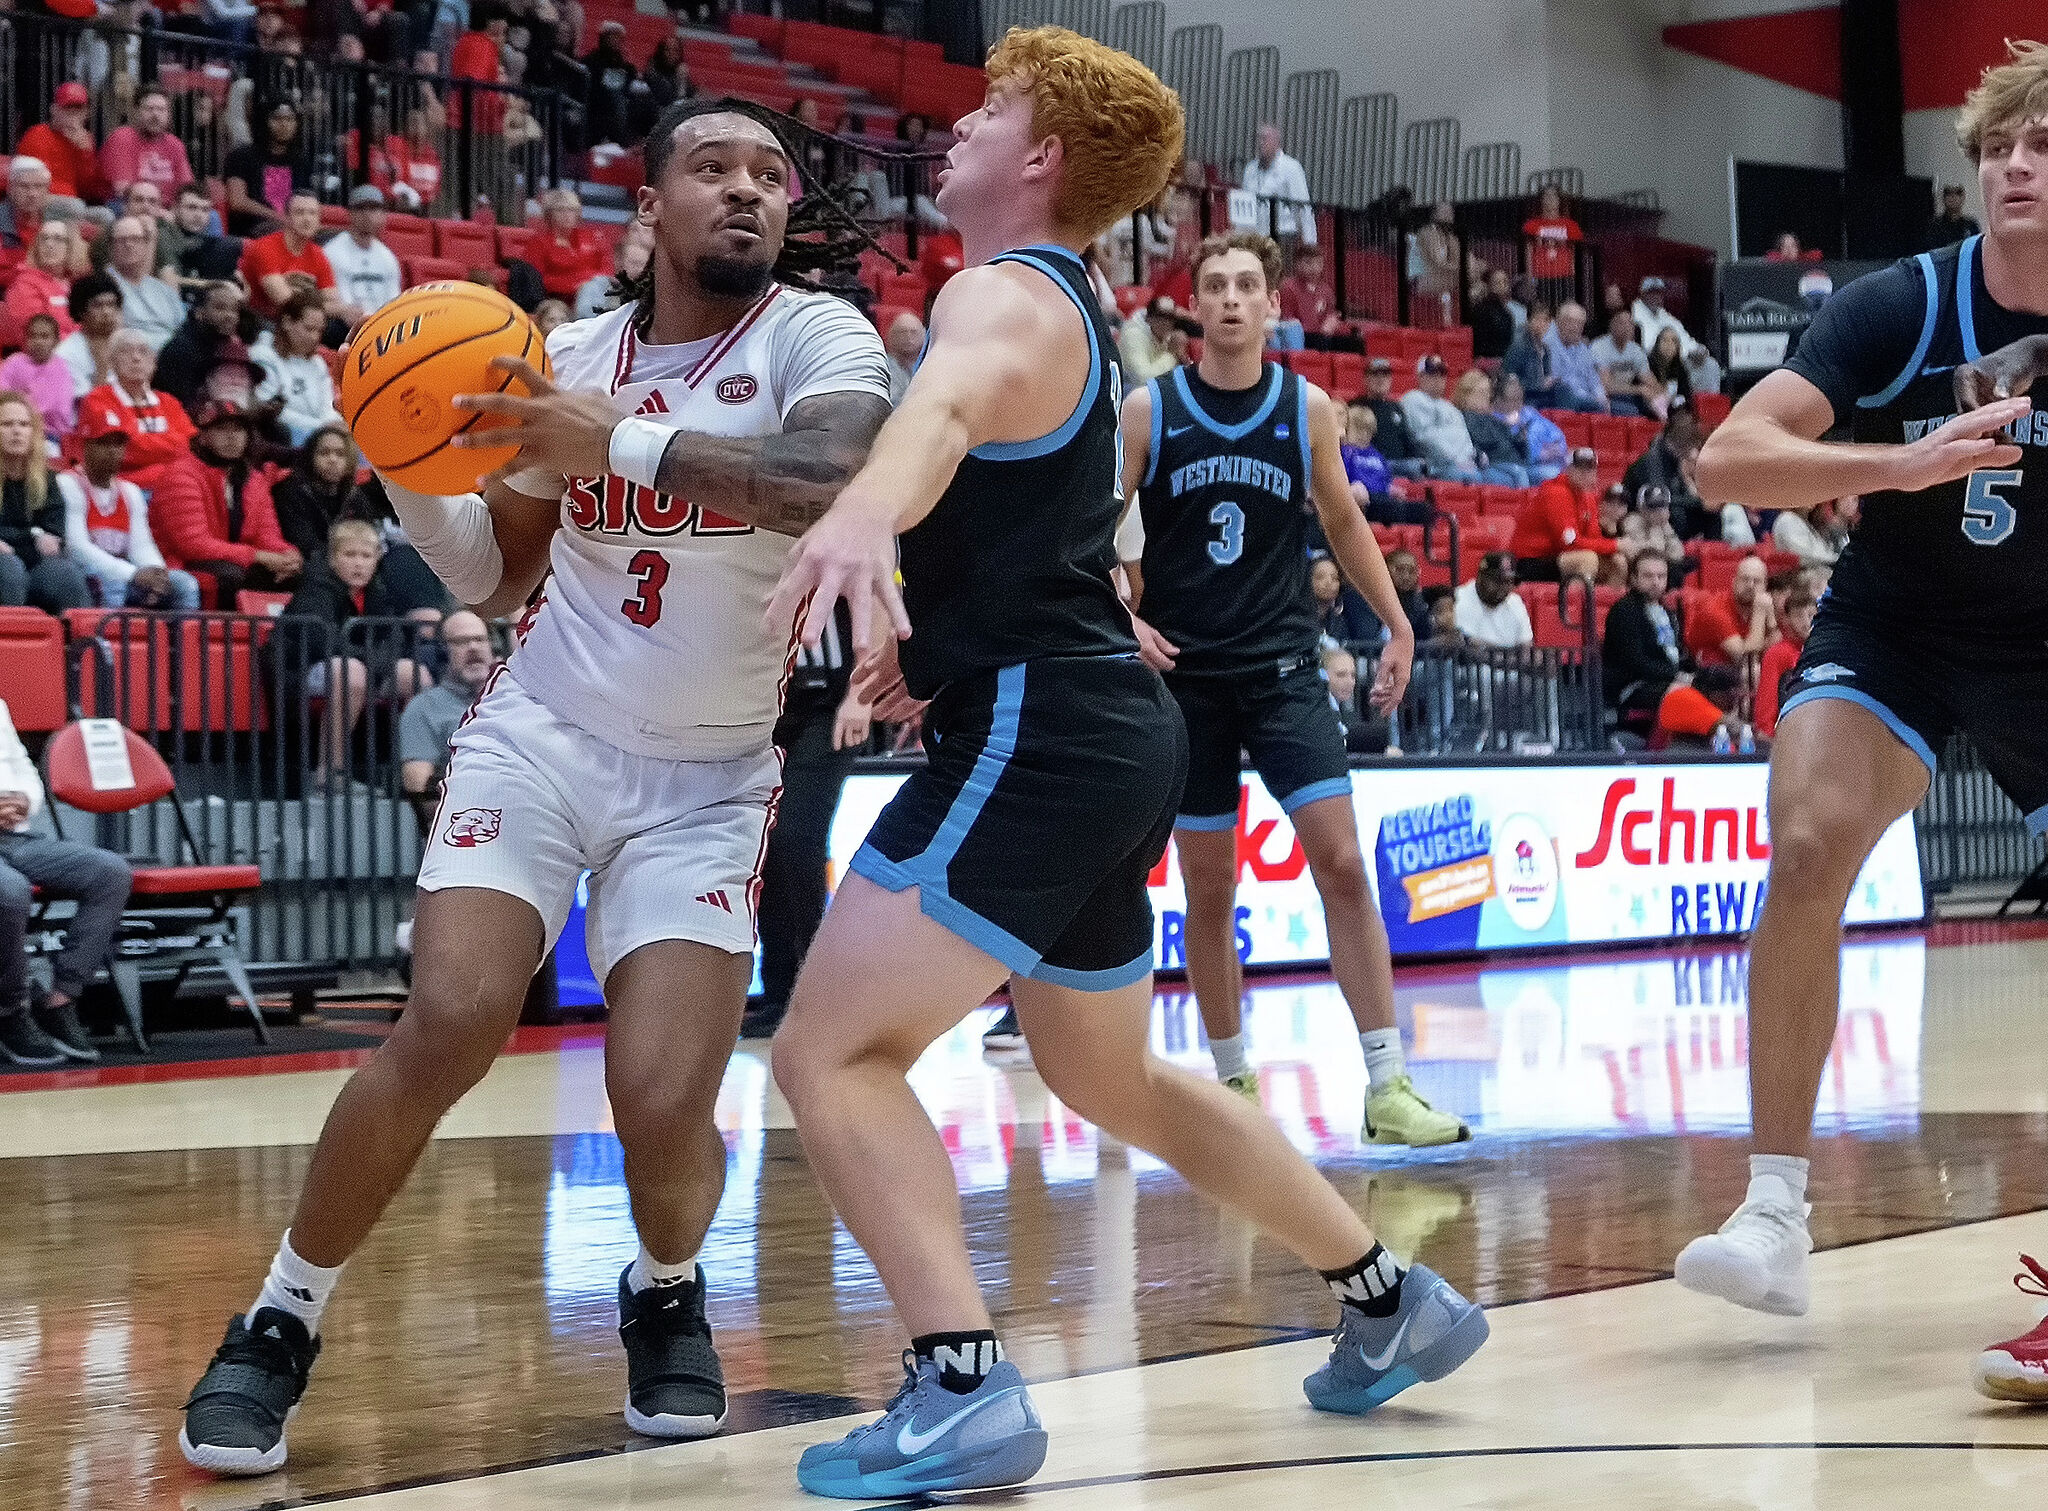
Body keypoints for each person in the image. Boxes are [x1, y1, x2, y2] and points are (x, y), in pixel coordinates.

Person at [767, 37, 1484, 1499]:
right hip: (1093, 721)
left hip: (1046, 727)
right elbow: (1035, 516)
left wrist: (860, 520)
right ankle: (1385, 1293)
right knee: (1111, 1071)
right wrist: (942, 634)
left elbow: (949, 407)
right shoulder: (1083, 314)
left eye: (990, 109)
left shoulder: (1002, 290)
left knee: (827, 1050)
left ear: (1039, 160)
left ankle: (959, 1382)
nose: (957, 123)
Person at [176, 95, 896, 1477]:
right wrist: (399, 454)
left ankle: (667, 1282)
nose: (747, 191)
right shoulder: (563, 353)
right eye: (713, 168)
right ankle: (278, 1317)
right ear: (651, 210)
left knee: (662, 1095)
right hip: (544, 731)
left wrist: (607, 444)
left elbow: (825, 481)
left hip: (712, 774)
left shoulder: (820, 337)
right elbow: (497, 574)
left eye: (770, 174)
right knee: (447, 1017)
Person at [1660, 43, 2048, 1379]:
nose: (2015, 162)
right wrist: (1900, 460)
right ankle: (1772, 1208)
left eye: (2044, 144)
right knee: (1810, 837)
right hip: (1902, 620)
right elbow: (1726, 460)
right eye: (2001, 142)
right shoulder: (1903, 303)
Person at [742, 599, 870, 1040]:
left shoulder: (838, 533)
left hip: (829, 705)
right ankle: (780, 994)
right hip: (759, 704)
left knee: (797, 838)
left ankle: (810, 996)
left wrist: (860, 695)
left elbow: (877, 608)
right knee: (769, 845)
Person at [0, 697, 131, 1067]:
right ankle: (10, 1011)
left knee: (109, 872)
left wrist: (25, 800)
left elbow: (22, 766)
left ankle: (59, 998)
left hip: (16, 835)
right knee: (10, 892)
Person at [277, 519, 433, 780]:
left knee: (414, 674)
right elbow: (321, 642)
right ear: (333, 558)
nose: (359, 563)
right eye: (349, 555)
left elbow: (395, 639)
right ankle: (330, 773)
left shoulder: (379, 591)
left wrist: (371, 662)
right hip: (302, 671)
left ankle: (409, 771)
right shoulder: (315, 589)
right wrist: (369, 661)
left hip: (364, 668)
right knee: (351, 672)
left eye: (366, 556)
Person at [151, 398, 303, 606]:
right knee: (233, 576)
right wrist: (259, 556)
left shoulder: (253, 479)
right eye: (222, 429)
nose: (232, 437)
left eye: (239, 430)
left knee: (298, 574)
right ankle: (217, 638)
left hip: (236, 562)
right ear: (203, 436)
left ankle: (278, 637)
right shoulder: (180, 474)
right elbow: (193, 545)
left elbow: (267, 535)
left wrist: (288, 556)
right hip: (182, 567)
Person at [57, 406, 201, 609]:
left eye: (119, 444)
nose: (112, 451)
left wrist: (156, 575)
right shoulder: (68, 483)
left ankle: (182, 641)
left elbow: (141, 545)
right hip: (84, 576)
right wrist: (133, 574)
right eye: (103, 443)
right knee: (113, 584)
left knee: (184, 584)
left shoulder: (130, 491)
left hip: (125, 575)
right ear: (85, 446)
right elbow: (76, 548)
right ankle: (105, 640)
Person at [397, 608, 496, 831]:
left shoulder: (515, 701)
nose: (473, 648)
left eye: (479, 639)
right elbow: (422, 791)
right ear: (442, 652)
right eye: (461, 642)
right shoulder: (423, 709)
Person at [0, 394, 93, 610]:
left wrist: (39, 537)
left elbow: (54, 532)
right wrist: (33, 535)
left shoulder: (47, 479)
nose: (16, 431)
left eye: (24, 424)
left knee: (65, 574)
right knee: (8, 570)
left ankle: (84, 642)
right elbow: (38, 534)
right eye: (6, 424)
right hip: (7, 565)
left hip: (34, 565)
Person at [83, 330, 198, 493]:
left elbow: (190, 445)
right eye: (126, 351)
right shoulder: (98, 400)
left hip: (174, 488)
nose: (136, 358)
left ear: (154, 362)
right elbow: (125, 450)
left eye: (143, 351)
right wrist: (169, 447)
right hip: (123, 489)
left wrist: (145, 445)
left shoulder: (169, 402)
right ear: (112, 361)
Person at [1601, 549, 1688, 733]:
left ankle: (1720, 729)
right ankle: (1722, 726)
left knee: (1719, 681)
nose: (1655, 582)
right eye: (1648, 576)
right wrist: (1676, 676)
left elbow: (1680, 653)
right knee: (1682, 692)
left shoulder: (1669, 612)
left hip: (1666, 679)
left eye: (1661, 576)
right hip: (1634, 687)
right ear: (1633, 578)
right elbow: (1636, 663)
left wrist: (1692, 674)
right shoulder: (1624, 611)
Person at [252, 292, 343, 445]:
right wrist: (322, 428)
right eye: (309, 329)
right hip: (284, 437)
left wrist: (334, 425)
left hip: (321, 434)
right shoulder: (263, 355)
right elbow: (269, 408)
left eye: (320, 331)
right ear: (287, 322)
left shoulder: (317, 363)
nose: (315, 337)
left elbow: (328, 406)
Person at [273, 424, 368, 565]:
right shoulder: (292, 490)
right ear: (311, 457)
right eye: (324, 453)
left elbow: (367, 539)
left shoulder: (354, 495)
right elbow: (304, 545)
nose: (332, 460)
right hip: (306, 566)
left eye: (340, 454)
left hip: (350, 566)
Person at [1514, 446, 1612, 582]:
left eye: (1589, 469)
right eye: (1579, 468)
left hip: (1557, 557)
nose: (1585, 473)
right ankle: (1574, 603)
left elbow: (1593, 537)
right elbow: (1569, 543)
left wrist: (1614, 547)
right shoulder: (1556, 493)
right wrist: (1615, 545)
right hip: (1531, 560)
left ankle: (1606, 603)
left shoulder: (1588, 497)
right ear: (1568, 469)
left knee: (1616, 562)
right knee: (1587, 559)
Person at [239, 193, 340, 323]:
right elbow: (284, 301)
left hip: (301, 323)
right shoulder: (265, 247)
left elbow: (332, 298)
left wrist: (344, 311)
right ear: (286, 218)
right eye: (299, 213)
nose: (307, 219)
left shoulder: (318, 254)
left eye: (312, 213)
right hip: (261, 321)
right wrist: (336, 309)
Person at [222, 99, 311, 237]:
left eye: (290, 119)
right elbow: (237, 202)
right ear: (264, 121)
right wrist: (278, 217)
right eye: (277, 118)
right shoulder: (241, 156)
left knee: (334, 236)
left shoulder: (301, 160)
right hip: (254, 228)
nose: (284, 125)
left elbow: (306, 199)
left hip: (295, 225)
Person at [16, 84, 113, 211]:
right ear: (54, 110)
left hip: (76, 203)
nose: (72, 113)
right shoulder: (38, 134)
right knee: (74, 206)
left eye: (78, 109)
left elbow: (91, 190)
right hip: (41, 199)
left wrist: (85, 154)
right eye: (67, 108)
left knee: (105, 214)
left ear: (86, 114)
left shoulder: (86, 140)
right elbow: (33, 179)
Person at [1623, 406, 1710, 539]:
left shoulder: (1677, 459)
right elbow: (1658, 499)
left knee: (1712, 513)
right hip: (1644, 514)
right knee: (1676, 512)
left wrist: (1692, 488)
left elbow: (1681, 493)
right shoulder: (1653, 460)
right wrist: (1697, 501)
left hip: (1667, 510)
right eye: (1690, 445)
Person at [322, 185, 404, 320]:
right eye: (361, 208)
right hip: (347, 323)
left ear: (383, 215)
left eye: (373, 208)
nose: (367, 214)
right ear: (350, 213)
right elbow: (342, 303)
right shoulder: (333, 252)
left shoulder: (387, 257)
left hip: (382, 324)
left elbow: (394, 303)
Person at [101, 87, 195, 202]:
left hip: (167, 210)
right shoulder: (122, 137)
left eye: (161, 110)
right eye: (149, 109)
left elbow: (188, 190)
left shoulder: (175, 144)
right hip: (128, 206)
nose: (155, 115)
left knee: (211, 215)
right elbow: (123, 190)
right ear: (136, 112)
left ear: (169, 115)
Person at [1401, 354, 1485, 481]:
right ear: (1420, 376)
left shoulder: (1451, 408)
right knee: (1466, 476)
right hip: (1435, 466)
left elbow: (1464, 439)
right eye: (1432, 374)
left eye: (1442, 374)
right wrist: (1455, 460)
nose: (1438, 379)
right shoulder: (1412, 399)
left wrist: (1466, 460)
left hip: (1462, 465)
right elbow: (1423, 438)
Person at [105, 217, 184, 351]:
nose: (129, 244)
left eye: (136, 239)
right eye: (121, 240)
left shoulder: (163, 289)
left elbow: (182, 329)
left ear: (146, 245)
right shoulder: (104, 286)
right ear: (111, 247)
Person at [1683, 552, 1775, 667]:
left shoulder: (1766, 603)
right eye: (1745, 579)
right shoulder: (1715, 610)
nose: (1750, 585)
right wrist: (1760, 614)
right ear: (1734, 581)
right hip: (1702, 673)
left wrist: (1771, 621)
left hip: (1733, 672)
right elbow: (1746, 662)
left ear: (1765, 586)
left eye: (1757, 581)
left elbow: (1774, 653)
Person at [0, 317, 78, 451]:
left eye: (45, 336)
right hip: (16, 427)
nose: (38, 342)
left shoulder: (62, 367)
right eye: (33, 336)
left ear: (56, 341)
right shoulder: (14, 363)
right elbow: (4, 397)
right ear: (25, 339)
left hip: (51, 436)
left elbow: (60, 412)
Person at [1752, 583, 1817, 739]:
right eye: (1799, 615)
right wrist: (1768, 735)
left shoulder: (1825, 652)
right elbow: (1766, 706)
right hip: (1787, 736)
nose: (1806, 622)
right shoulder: (1777, 654)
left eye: (1811, 615)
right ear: (1786, 619)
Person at [1240, 120, 1314, 257]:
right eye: (1258, 139)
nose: (1260, 143)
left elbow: (1302, 205)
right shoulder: (1250, 169)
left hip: (1283, 236)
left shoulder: (1291, 168)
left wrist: (1309, 241)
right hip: (1255, 236)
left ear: (1276, 142)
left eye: (1264, 139)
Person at [5, 219, 80, 347]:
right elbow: (37, 336)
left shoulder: (77, 283)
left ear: (71, 246)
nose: (49, 244)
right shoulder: (24, 284)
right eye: (44, 238)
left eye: (58, 239)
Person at [160, 185, 244, 295]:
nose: (199, 215)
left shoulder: (215, 245)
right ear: (175, 208)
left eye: (205, 210)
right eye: (191, 207)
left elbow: (242, 292)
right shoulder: (161, 234)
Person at [1453, 368, 1530, 487]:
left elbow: (1514, 444)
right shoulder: (1466, 416)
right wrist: (1506, 425)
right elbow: (1483, 439)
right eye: (1481, 393)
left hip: (1514, 463)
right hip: (1494, 463)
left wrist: (1521, 438)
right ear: (1467, 395)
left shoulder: (1492, 418)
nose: (1487, 397)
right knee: (1518, 473)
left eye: (1488, 392)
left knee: (1550, 474)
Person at [530, 186, 607, 302]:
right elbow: (537, 280)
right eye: (560, 210)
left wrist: (588, 283)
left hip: (598, 290)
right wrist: (575, 285)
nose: (567, 215)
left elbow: (607, 269)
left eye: (572, 210)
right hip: (559, 299)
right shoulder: (538, 242)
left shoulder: (593, 237)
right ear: (549, 214)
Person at [1493, 371, 1567, 482]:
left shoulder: (1529, 413)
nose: (1518, 404)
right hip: (1523, 467)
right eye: (1513, 400)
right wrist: (1538, 454)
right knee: (1552, 474)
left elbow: (1555, 434)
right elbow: (1508, 451)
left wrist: (1558, 447)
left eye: (1520, 399)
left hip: (1549, 463)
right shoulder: (1493, 420)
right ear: (1498, 400)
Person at [1360, 355, 1427, 479]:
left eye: (1385, 374)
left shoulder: (1397, 408)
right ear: (1366, 378)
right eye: (1375, 374)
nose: (1380, 378)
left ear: (1390, 379)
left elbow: (1408, 440)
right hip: (1374, 464)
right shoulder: (1357, 406)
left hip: (1402, 465)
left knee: (1420, 466)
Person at [1277, 243, 1350, 350]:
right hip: (1301, 337)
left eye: (1318, 263)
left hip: (1323, 336)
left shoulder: (1326, 290)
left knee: (1354, 342)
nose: (1314, 268)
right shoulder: (1288, 288)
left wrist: (1332, 322)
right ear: (1297, 264)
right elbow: (1289, 323)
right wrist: (1322, 331)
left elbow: (1329, 317)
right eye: (1308, 263)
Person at [1589, 309, 1660, 418]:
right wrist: (1639, 390)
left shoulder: (1636, 350)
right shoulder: (1599, 347)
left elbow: (1649, 380)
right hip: (1602, 398)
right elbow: (1606, 387)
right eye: (1621, 323)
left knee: (1658, 408)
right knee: (1632, 411)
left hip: (1628, 395)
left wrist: (1662, 395)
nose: (1627, 327)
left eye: (1630, 323)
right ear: (1612, 326)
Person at [1453, 551, 1532, 649]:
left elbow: (1526, 648)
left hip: (1507, 663)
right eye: (1497, 580)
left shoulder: (1515, 602)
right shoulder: (1458, 598)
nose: (1503, 587)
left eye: (1508, 582)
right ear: (1481, 576)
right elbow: (1467, 647)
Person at [1545, 301, 1608, 413]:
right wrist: (1592, 400)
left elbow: (1594, 379)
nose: (1575, 328)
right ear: (1559, 322)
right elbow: (1558, 380)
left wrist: (1601, 397)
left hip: (1587, 400)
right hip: (1561, 400)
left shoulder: (1583, 349)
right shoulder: (1548, 345)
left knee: (1622, 410)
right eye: (1570, 322)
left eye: (1580, 324)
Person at [1501, 300, 1559, 407]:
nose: (1541, 324)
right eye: (1537, 319)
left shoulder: (1545, 349)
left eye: (1545, 321)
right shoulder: (1519, 345)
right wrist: (1539, 384)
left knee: (1563, 390)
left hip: (1542, 395)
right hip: (1525, 398)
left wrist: (1549, 382)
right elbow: (1509, 379)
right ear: (1529, 320)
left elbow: (1547, 375)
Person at [1116, 293, 1182, 383]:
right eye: (1161, 316)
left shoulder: (1168, 336)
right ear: (1149, 318)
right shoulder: (1133, 334)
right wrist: (1171, 355)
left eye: (1170, 318)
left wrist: (1181, 357)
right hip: (1127, 386)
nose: (1166, 322)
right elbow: (1143, 379)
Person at [1522, 184, 1581, 282]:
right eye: (1547, 196)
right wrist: (1530, 276)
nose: (1550, 199)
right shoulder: (1532, 225)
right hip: (1539, 275)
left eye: (1554, 195)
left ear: (1559, 200)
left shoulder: (1571, 225)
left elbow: (1574, 252)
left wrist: (1573, 275)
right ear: (1541, 200)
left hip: (1564, 275)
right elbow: (1529, 251)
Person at [1630, 275, 1695, 358]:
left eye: (1658, 293)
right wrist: (1686, 353)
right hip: (1649, 360)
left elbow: (1683, 336)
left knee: (1709, 363)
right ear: (1642, 294)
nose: (1655, 297)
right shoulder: (1634, 312)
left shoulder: (1664, 315)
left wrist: (1696, 350)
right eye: (1651, 293)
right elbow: (1649, 346)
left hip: (1675, 357)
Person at [1469, 266, 1516, 359]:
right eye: (1497, 282)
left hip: (1504, 358)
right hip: (1487, 361)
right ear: (1489, 285)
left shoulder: (1506, 310)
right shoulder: (1481, 309)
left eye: (1505, 282)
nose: (1502, 286)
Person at [883, 309, 924, 405]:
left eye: (913, 332)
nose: (908, 337)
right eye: (902, 332)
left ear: (923, 335)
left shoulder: (930, 364)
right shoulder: (885, 366)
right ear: (892, 336)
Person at [1926, 183, 1980, 250]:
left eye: (1958, 193)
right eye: (1948, 193)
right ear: (1943, 198)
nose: (1953, 196)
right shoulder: (1935, 225)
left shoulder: (1971, 226)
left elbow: (1976, 250)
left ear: (1962, 198)